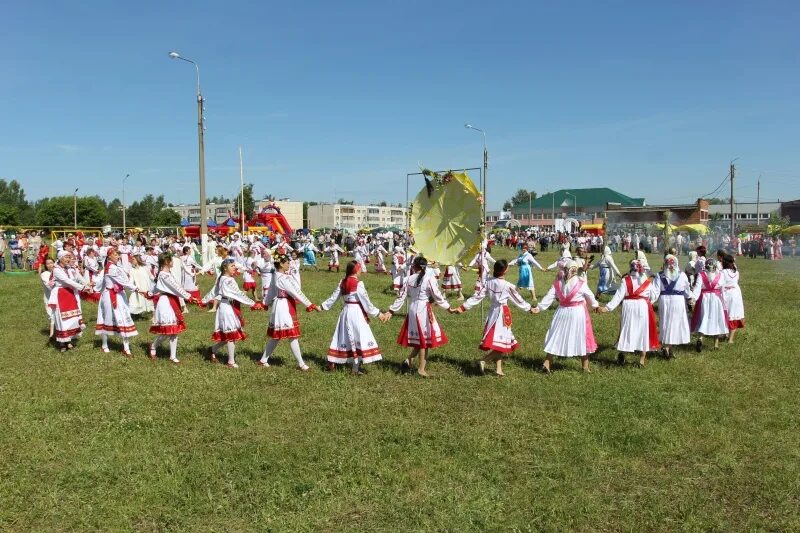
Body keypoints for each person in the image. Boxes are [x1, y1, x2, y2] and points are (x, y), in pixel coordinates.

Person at [450, 259, 533, 376]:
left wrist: (463, 307)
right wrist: (529, 308)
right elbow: (518, 299)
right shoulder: (507, 285)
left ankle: (498, 369)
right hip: (502, 314)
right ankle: (483, 360)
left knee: (500, 342)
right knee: (502, 343)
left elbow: (477, 297)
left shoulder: (488, 282)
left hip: (493, 312)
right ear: (505, 271)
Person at [382, 256, 451, 377]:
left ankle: (408, 361)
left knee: (421, 340)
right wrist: (448, 307)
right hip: (423, 310)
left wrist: (391, 311)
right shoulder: (429, 278)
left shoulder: (408, 279)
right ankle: (421, 369)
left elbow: (401, 296)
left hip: (413, 308)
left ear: (414, 266)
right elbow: (437, 295)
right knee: (423, 341)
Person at [532, 260, 600, 373]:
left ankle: (547, 363)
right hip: (578, 313)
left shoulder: (558, 283)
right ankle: (585, 367)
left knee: (556, 336)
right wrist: (596, 306)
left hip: (561, 312)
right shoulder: (581, 283)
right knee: (582, 337)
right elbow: (590, 297)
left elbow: (549, 297)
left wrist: (539, 308)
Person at [258, 253, 321, 371]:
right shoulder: (283, 278)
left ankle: (263, 360)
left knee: (277, 336)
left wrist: (265, 303)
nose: (289, 264)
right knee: (292, 336)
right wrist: (310, 304)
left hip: (280, 305)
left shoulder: (276, 275)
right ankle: (301, 364)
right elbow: (296, 292)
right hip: (284, 307)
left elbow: (271, 291)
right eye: (287, 263)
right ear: (281, 264)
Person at [320, 260, 383, 375]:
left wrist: (322, 306)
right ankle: (354, 368)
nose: (361, 271)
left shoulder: (342, 282)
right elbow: (367, 304)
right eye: (360, 269)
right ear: (356, 270)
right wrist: (378, 313)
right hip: (356, 313)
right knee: (358, 338)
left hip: (345, 312)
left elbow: (333, 298)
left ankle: (333, 360)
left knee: (342, 336)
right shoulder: (358, 284)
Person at [601, 260, 660, 367]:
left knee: (627, 329)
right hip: (642, 307)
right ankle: (641, 360)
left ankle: (623, 353)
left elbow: (618, 296)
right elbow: (653, 297)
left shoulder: (625, 280)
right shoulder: (647, 282)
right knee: (643, 331)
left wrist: (607, 308)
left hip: (628, 306)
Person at [203, 259, 255, 368]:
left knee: (228, 334)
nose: (235, 268)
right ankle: (231, 362)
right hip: (227, 307)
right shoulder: (227, 280)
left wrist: (203, 301)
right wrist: (253, 304)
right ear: (225, 268)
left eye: (235, 266)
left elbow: (214, 292)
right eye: (232, 266)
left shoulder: (223, 278)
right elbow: (237, 294)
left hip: (227, 306)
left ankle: (212, 350)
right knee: (231, 334)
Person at [149, 253, 195, 364]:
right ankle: (153, 346)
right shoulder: (164, 275)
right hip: (166, 302)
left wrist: (150, 293)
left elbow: (171, 287)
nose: (173, 262)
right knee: (167, 331)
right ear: (166, 262)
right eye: (171, 260)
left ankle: (173, 356)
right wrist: (189, 296)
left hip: (172, 301)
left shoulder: (167, 274)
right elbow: (175, 288)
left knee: (174, 330)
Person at [95, 248, 139, 356]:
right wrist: (135, 288)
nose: (118, 257)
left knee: (123, 318)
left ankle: (126, 347)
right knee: (107, 319)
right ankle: (104, 344)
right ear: (109, 256)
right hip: (110, 296)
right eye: (115, 255)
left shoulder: (115, 267)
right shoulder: (110, 268)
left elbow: (123, 279)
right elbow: (122, 281)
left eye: (118, 255)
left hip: (119, 295)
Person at [48, 252, 90, 351]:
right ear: (60, 258)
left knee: (70, 318)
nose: (68, 259)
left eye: (69, 257)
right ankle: (62, 343)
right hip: (60, 294)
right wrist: (82, 288)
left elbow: (75, 279)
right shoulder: (57, 270)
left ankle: (69, 340)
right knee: (61, 318)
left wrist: (87, 284)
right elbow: (67, 281)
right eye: (66, 257)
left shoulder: (67, 269)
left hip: (68, 293)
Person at [652, 254, 691, 358]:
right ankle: (668, 347)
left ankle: (667, 346)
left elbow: (655, 292)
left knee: (665, 323)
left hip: (664, 301)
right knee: (675, 324)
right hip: (678, 301)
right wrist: (690, 298)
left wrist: (649, 302)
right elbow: (687, 291)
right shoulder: (682, 275)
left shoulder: (659, 275)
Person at [689, 258, 729, 351]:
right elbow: (723, 289)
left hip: (704, 299)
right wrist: (725, 301)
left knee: (704, 318)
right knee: (717, 319)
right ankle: (716, 344)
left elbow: (697, 288)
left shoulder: (701, 274)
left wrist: (694, 298)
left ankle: (700, 338)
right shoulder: (721, 275)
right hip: (717, 299)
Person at [720, 253, 745, 344]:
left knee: (725, 313)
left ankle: (726, 335)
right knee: (733, 314)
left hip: (726, 294)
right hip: (735, 294)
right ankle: (730, 338)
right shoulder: (736, 272)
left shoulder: (722, 272)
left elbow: (720, 284)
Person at [39, 257, 56, 338]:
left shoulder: (58, 272)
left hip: (59, 297)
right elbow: (48, 285)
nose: (50, 265)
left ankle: (59, 334)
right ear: (45, 265)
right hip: (49, 298)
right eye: (48, 263)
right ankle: (52, 335)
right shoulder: (44, 274)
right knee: (51, 316)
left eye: (51, 263)